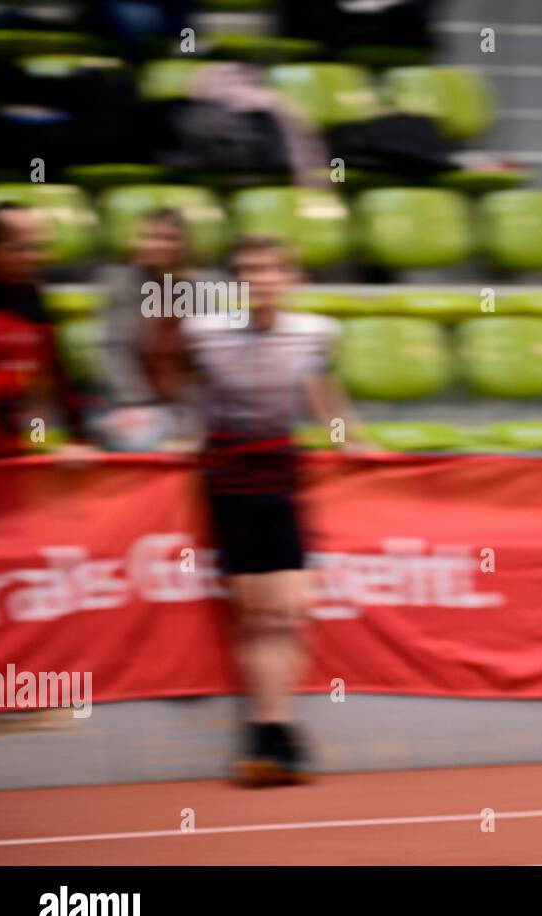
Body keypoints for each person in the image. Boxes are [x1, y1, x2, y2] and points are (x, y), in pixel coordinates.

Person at [173, 235, 372, 786]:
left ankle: (276, 732)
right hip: (230, 479)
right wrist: (185, 438)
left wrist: (351, 440)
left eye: (270, 269)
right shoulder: (205, 333)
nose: (260, 279)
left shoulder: (314, 334)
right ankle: (268, 734)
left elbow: (326, 401)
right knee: (257, 612)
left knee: (290, 608)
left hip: (282, 477)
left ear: (289, 278)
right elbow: (192, 399)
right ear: (237, 283)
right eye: (248, 271)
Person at [98, 208, 218, 450]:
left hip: (188, 407)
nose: (158, 245)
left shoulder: (203, 288)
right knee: (140, 440)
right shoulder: (122, 283)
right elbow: (114, 351)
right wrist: (133, 403)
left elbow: (210, 357)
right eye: (151, 237)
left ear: (183, 246)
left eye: (168, 238)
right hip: (138, 403)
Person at [0, 203, 90, 458]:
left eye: (41, 247)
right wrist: (42, 446)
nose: (41, 258)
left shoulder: (30, 300)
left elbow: (53, 385)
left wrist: (77, 440)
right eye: (25, 248)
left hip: (26, 460)